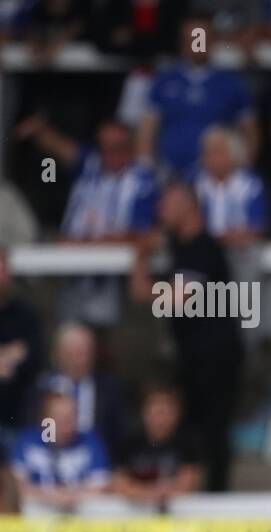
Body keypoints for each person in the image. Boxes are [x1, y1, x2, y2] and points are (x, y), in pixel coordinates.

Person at [130, 183, 244, 492]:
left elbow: (181, 296)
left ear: (188, 206)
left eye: (167, 204)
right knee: (189, 429)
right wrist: (140, 255)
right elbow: (140, 291)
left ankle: (217, 498)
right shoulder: (176, 247)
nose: (160, 212)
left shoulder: (204, 246)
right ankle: (186, 491)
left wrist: (151, 283)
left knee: (214, 429)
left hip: (216, 355)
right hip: (189, 354)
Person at [12, 115, 158, 329]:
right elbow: (62, 150)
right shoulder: (91, 166)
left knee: (103, 335)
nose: (108, 153)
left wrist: (84, 244)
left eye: (116, 147)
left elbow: (139, 234)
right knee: (70, 331)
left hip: (112, 272)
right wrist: (40, 131)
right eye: (103, 146)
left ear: (130, 147)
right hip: (73, 267)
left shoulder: (142, 179)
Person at [136, 14, 258, 179]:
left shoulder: (231, 83)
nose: (197, 44)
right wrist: (146, 163)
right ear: (182, 42)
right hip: (170, 172)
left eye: (202, 37)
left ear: (213, 40)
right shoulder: (163, 81)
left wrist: (242, 168)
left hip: (217, 175)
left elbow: (250, 131)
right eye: (192, 38)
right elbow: (147, 128)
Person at [37, 321, 129, 460]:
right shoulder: (42, 388)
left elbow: (118, 434)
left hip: (99, 463)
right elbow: (34, 430)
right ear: (59, 354)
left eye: (85, 352)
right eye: (73, 353)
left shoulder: (110, 388)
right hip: (50, 461)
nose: (80, 359)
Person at [9, 389, 111, 513]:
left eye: (70, 416)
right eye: (58, 417)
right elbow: (15, 486)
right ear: (45, 419)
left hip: (78, 507)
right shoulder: (27, 441)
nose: (66, 422)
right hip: (40, 506)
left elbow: (102, 486)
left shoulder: (90, 441)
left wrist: (70, 497)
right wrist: (51, 496)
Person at [111, 382, 203, 509]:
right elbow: (119, 483)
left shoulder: (188, 443)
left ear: (177, 414)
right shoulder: (129, 443)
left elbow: (189, 482)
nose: (161, 418)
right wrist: (150, 494)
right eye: (156, 411)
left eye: (166, 411)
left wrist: (164, 493)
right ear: (144, 412)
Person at [0, 247, 42, 457]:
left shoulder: (24, 313)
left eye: (3, 270)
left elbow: (34, 356)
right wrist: (9, 355)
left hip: (16, 420)